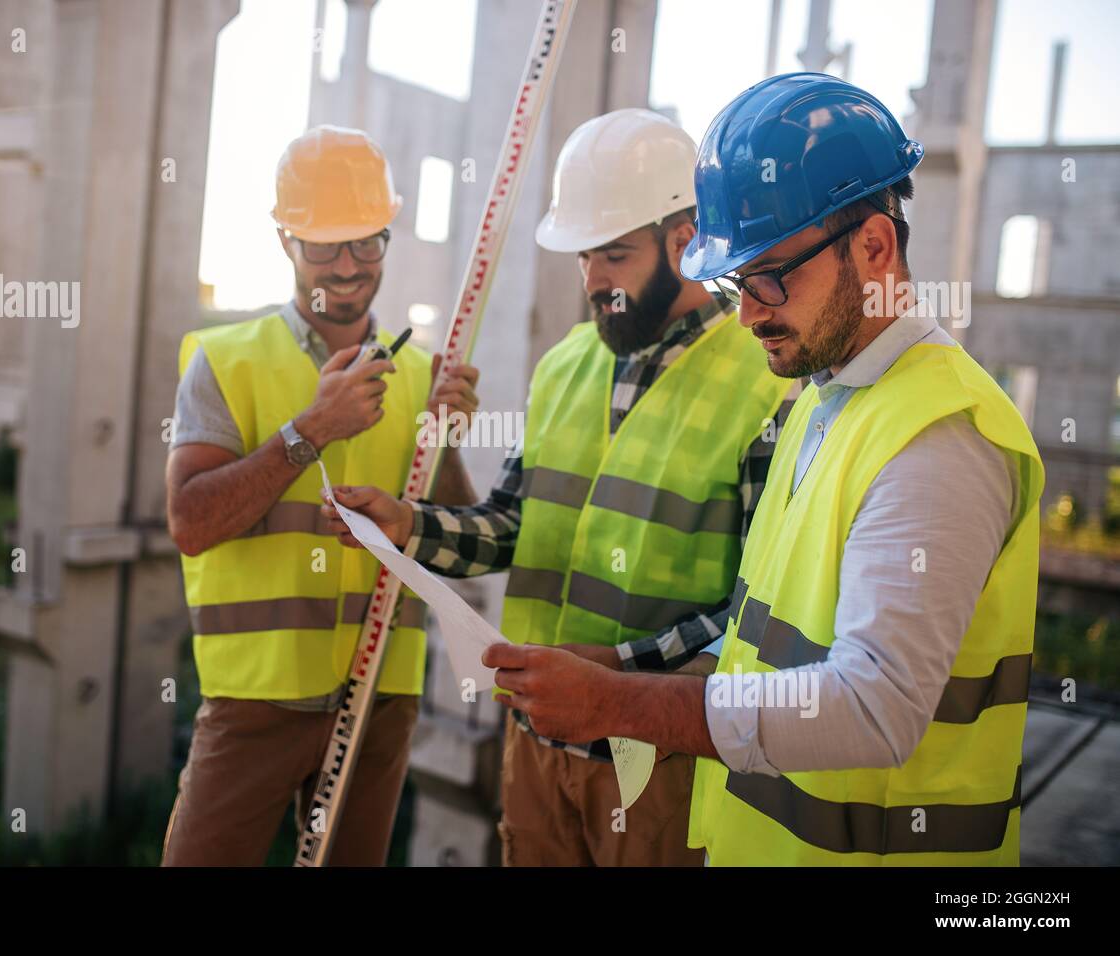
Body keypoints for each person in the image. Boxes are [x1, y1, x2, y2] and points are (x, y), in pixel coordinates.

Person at [482, 74, 1044, 866]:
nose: (746, 313)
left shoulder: (937, 439)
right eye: (736, 282)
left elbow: (873, 708)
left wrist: (619, 700)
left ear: (875, 247)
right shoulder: (826, 399)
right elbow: (754, 644)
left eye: (770, 277)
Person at [323, 109, 794, 866]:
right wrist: (409, 525)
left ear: (686, 241)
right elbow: (511, 524)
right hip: (536, 745)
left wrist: (615, 675)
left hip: (659, 765)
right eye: (584, 258)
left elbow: (759, 617)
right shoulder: (568, 363)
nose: (594, 282)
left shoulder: (767, 384)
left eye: (613, 255)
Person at [161, 125, 480, 866]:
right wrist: (310, 430)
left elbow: (460, 546)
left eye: (366, 243)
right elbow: (191, 521)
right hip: (253, 705)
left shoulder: (421, 375)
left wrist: (448, 440)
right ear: (285, 242)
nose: (346, 267)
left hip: (379, 701)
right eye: (324, 246)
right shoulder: (227, 362)